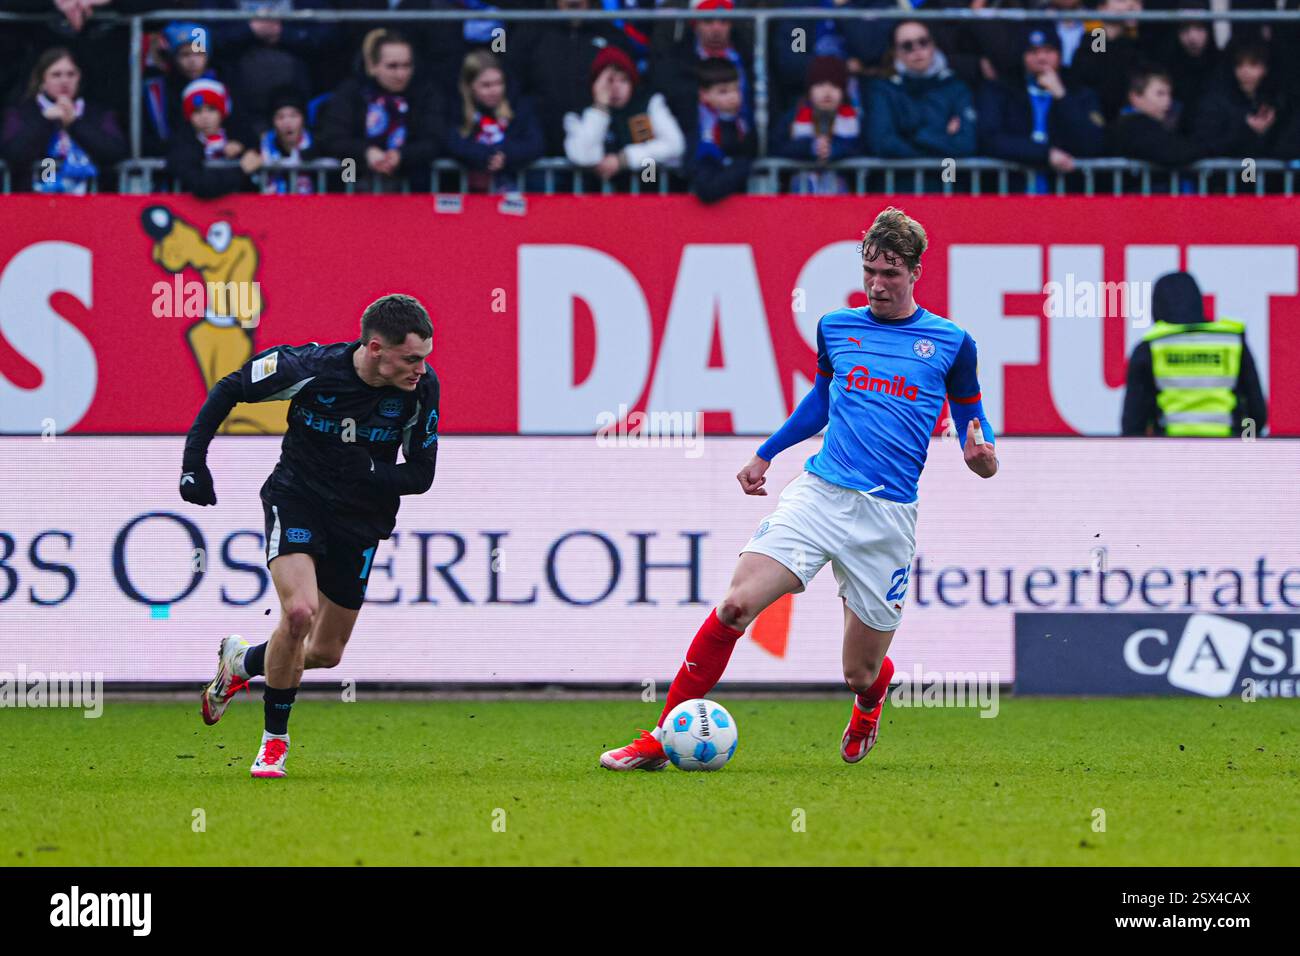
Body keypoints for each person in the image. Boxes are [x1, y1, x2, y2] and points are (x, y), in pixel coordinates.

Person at [601, 207, 999, 771]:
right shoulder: (838, 327)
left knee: (859, 671)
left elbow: (973, 426)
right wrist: (766, 453)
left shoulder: (952, 343)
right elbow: (821, 401)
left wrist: (982, 457)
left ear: (915, 272)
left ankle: (868, 704)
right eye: (869, 270)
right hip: (820, 493)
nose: (877, 284)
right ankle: (662, 739)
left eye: (890, 273)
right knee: (736, 605)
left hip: (887, 517)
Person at [183, 294, 441, 779]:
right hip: (297, 498)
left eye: (425, 358)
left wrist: (367, 470)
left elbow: (422, 475)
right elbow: (228, 388)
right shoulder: (307, 366)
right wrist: (194, 463)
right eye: (412, 358)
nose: (421, 369)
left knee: (323, 653)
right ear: (375, 347)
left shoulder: (421, 391)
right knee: (299, 612)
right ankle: (274, 742)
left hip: (360, 519)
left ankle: (242, 661)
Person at [1121, 271, 1268, 436]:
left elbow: (1133, 425)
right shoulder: (1232, 343)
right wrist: (1246, 444)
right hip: (1227, 454)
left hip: (1169, 454)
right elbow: (1257, 412)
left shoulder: (1151, 348)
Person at [317, 29, 444, 192]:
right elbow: (332, 137)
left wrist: (402, 156)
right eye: (392, 66)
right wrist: (366, 152)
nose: (401, 74)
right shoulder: (351, 92)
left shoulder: (426, 93)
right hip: (355, 185)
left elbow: (435, 139)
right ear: (373, 66)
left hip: (412, 189)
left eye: (407, 65)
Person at [976, 27, 1106, 182]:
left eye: (1049, 50)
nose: (1042, 58)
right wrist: (1045, 154)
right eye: (1033, 51)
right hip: (1013, 192)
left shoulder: (1080, 92)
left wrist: (1062, 96)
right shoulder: (1000, 90)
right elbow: (989, 138)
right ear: (1022, 56)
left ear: (1060, 54)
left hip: (1064, 194)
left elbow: (1093, 143)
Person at [2, 47, 126, 194]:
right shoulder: (20, 113)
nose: (64, 81)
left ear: (79, 78)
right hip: (33, 203)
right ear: (42, 80)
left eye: (71, 74)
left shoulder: (99, 113)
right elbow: (14, 154)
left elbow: (115, 152)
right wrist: (45, 121)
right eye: (56, 75)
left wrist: (74, 123)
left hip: (89, 202)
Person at [563, 45, 684, 181]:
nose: (615, 88)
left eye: (623, 80)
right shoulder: (579, 114)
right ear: (595, 83)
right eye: (609, 81)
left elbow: (675, 146)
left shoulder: (649, 104)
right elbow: (583, 156)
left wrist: (623, 159)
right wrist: (600, 108)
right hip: (597, 198)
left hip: (646, 193)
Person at [865, 20, 977, 159]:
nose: (917, 50)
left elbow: (966, 145)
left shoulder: (956, 88)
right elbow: (882, 143)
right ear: (896, 52)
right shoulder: (883, 89)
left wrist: (915, 136)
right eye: (907, 46)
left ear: (933, 45)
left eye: (923, 42)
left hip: (948, 177)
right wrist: (941, 139)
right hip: (902, 179)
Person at [444, 50, 543, 192]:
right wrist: (484, 156)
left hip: (511, 197)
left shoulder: (518, 107)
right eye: (486, 85)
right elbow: (449, 141)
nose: (495, 90)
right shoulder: (455, 109)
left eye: (499, 83)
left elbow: (535, 143)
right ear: (469, 86)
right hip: (466, 195)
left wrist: (504, 155)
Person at [769, 55, 862, 195]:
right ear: (809, 89)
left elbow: (862, 148)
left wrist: (834, 149)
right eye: (820, 85)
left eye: (835, 85)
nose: (827, 92)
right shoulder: (794, 117)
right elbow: (776, 147)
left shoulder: (853, 119)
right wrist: (810, 147)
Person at [167, 77, 262, 199]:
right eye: (197, 111)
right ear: (189, 117)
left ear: (222, 112)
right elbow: (201, 184)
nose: (205, 117)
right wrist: (240, 170)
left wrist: (242, 150)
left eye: (211, 109)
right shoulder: (181, 146)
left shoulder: (240, 136)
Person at [684, 57, 755, 203]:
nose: (733, 96)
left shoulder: (743, 122)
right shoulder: (700, 129)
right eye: (723, 92)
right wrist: (742, 167)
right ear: (704, 95)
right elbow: (707, 188)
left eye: (736, 89)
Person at [1109, 68, 1203, 167]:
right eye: (1160, 94)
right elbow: (1172, 153)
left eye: (1169, 94)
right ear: (1136, 97)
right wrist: (1205, 148)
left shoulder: (1131, 124)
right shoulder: (1134, 127)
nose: (1168, 101)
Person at [259, 85, 318, 194]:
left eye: (294, 116)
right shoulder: (261, 149)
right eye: (280, 117)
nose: (287, 123)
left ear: (303, 119)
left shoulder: (318, 146)